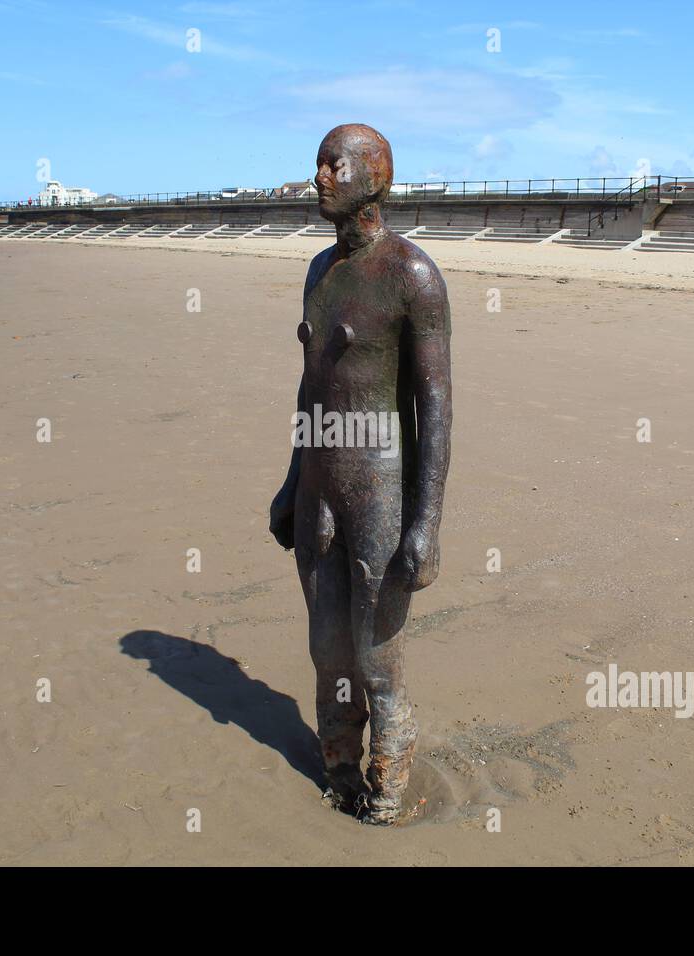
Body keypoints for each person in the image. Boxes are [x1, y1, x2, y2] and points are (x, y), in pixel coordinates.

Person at [270, 124, 452, 825]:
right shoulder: (319, 272)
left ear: (373, 178)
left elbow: (434, 407)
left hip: (379, 483)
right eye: (317, 161)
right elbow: (310, 385)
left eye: (331, 164)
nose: (319, 176)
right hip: (320, 482)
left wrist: (425, 525)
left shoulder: (412, 275)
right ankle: (339, 763)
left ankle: (391, 771)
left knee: (376, 653)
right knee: (327, 646)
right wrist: (292, 482)